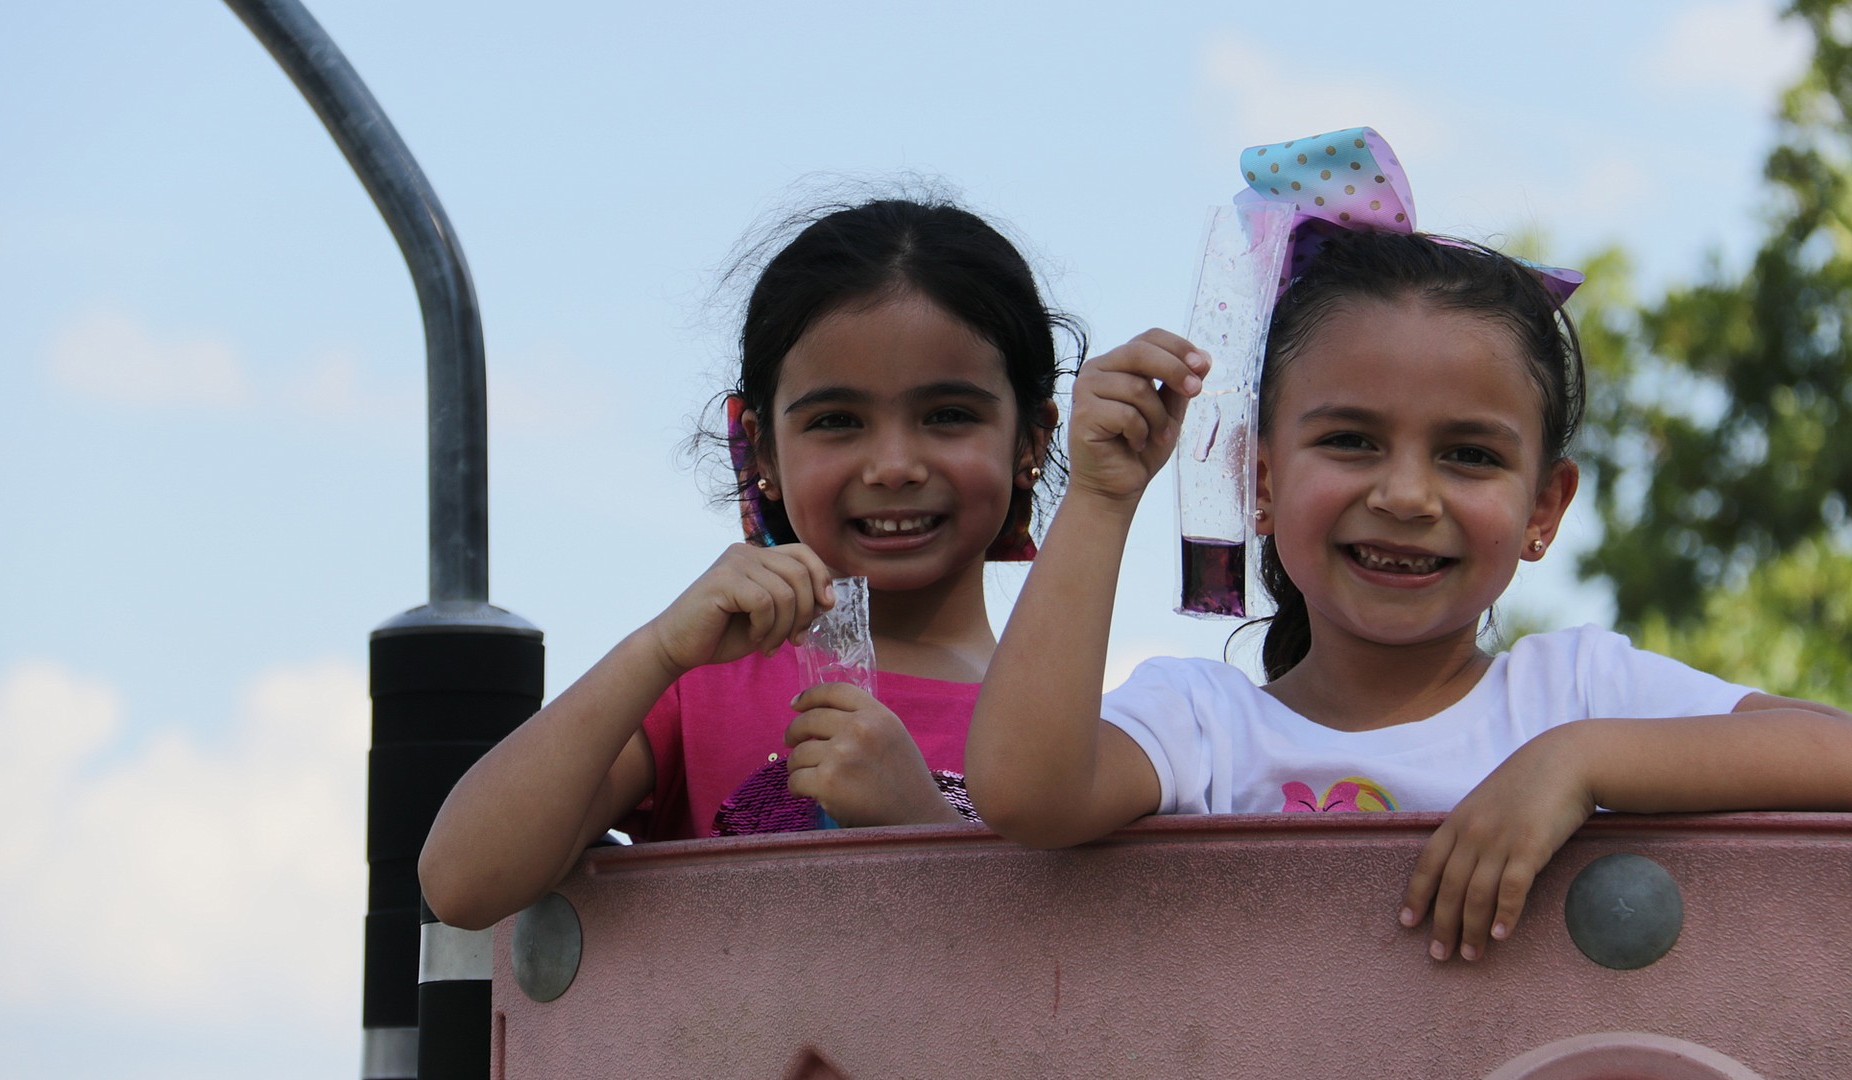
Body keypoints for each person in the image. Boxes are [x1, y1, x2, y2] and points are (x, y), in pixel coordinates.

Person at [966, 128, 1852, 966]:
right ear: (1261, 484)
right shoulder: (1206, 729)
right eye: (1351, 440)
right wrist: (1102, 497)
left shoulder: (1575, 697)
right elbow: (1022, 792)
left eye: (1468, 455)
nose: (1405, 495)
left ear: (1545, 509)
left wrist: (1577, 762)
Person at [420, 196, 1083, 931]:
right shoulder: (699, 685)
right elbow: (462, 883)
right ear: (762, 449)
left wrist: (922, 823)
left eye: (949, 415)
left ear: (1032, 440)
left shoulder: (1064, 728)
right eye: (837, 421)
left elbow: (1068, 988)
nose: (894, 465)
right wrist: (657, 649)